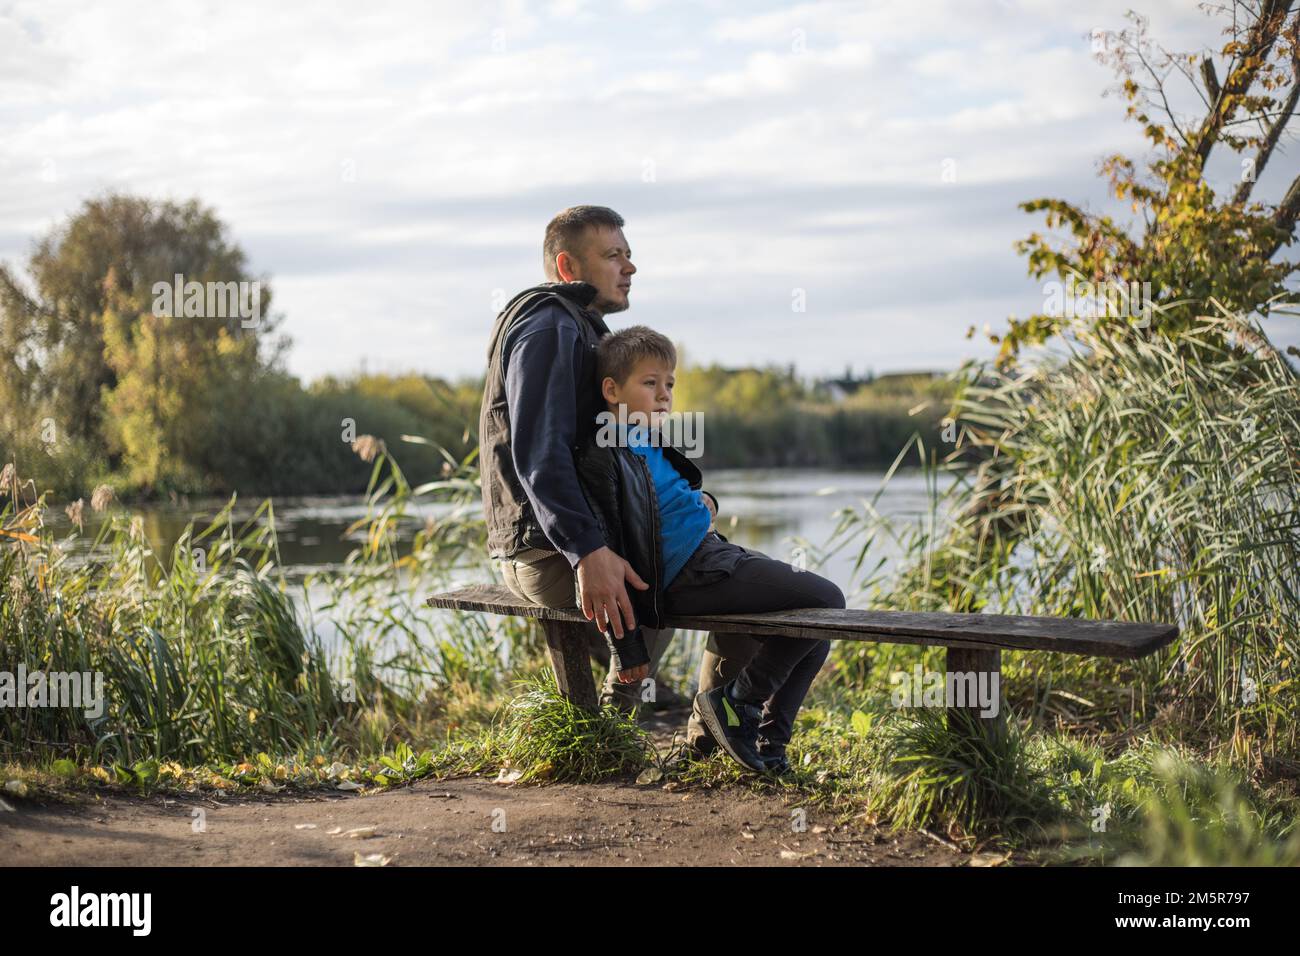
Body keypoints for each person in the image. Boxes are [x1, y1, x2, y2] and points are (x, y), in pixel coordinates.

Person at [575, 325, 844, 773]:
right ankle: (736, 703)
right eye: (649, 383)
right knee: (827, 599)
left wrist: (707, 503)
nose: (664, 395)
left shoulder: (650, 441)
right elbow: (609, 553)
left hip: (713, 555)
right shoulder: (602, 455)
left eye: (670, 384)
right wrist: (627, 647)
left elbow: (679, 498)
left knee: (813, 629)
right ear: (611, 389)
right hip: (684, 574)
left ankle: (767, 748)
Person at [480, 205, 695, 713]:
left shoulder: (581, 327)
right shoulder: (551, 328)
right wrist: (587, 551)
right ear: (569, 268)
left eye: (629, 255)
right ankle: (616, 726)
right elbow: (538, 452)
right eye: (613, 255)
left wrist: (689, 494)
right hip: (546, 553)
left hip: (558, 544)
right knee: (685, 577)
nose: (630, 268)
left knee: (687, 551)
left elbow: (617, 450)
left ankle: (622, 717)